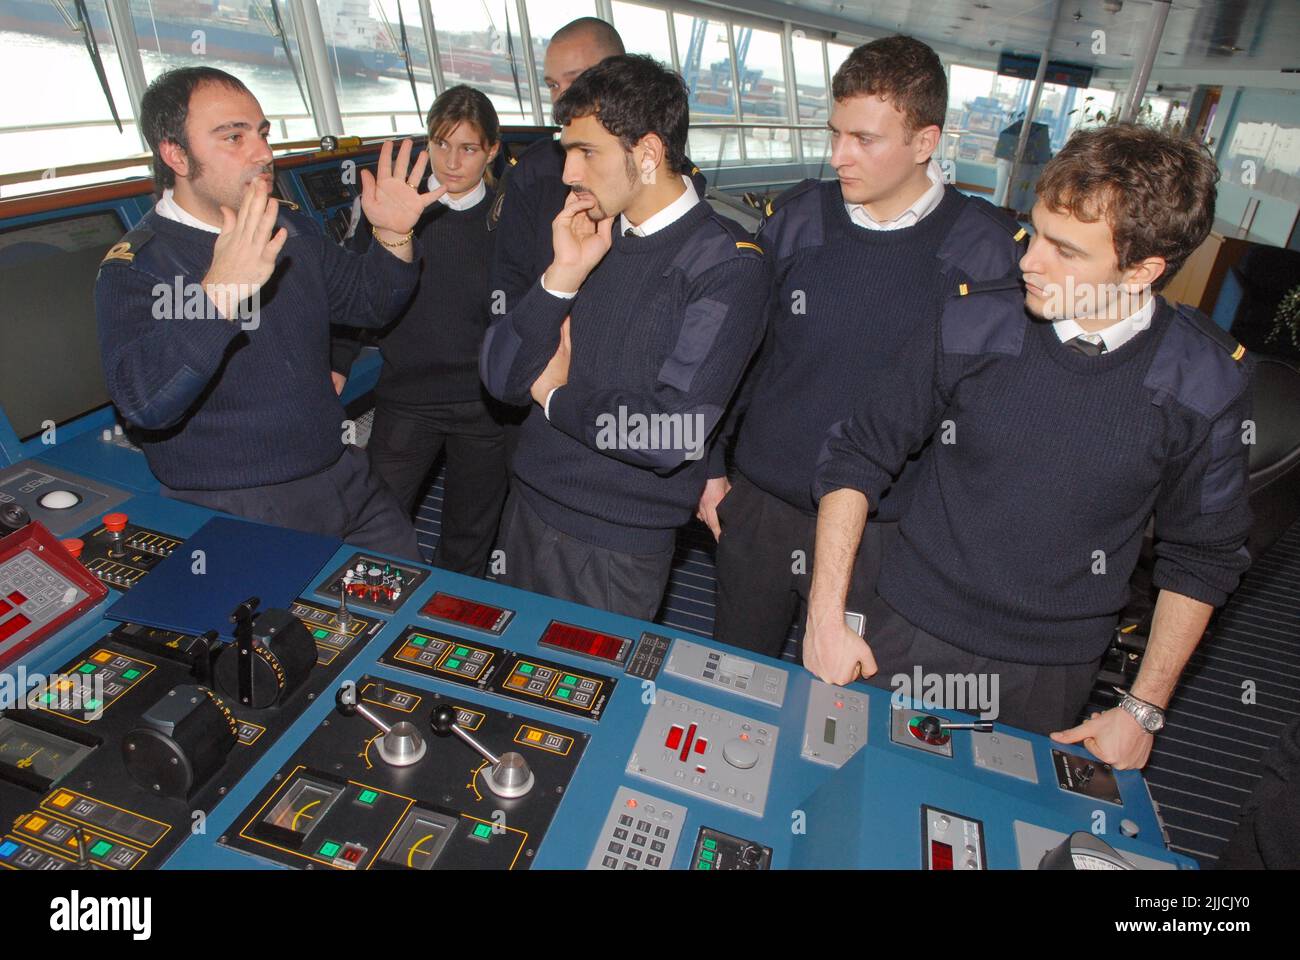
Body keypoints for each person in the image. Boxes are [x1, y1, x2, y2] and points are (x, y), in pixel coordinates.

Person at [804, 123, 1254, 767]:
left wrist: (1143, 709)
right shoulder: (971, 318)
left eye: (1065, 250)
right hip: (909, 626)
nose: (1027, 261)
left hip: (1052, 669)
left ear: (1142, 270)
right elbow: (857, 453)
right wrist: (825, 616)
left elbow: (1202, 558)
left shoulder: (1206, 381)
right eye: (1036, 230)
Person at [707, 36, 1027, 657]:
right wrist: (712, 466)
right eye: (835, 134)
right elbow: (745, 353)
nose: (839, 157)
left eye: (864, 140)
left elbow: (988, 408)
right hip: (763, 506)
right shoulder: (798, 218)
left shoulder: (988, 252)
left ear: (925, 142)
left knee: (842, 708)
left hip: (886, 532)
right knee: (733, 677)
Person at [96, 67, 439, 560]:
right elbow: (146, 401)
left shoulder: (290, 226)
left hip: (342, 476)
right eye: (233, 137)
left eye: (261, 134)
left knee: (413, 608)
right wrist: (218, 294)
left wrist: (392, 235)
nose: (262, 154)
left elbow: (370, 301)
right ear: (176, 155)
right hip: (236, 503)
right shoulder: (138, 266)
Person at [479, 54, 769, 620]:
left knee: (576, 703)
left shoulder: (727, 266)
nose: (568, 174)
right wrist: (563, 275)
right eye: (568, 152)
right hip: (526, 510)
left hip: (611, 548)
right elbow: (498, 376)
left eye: (586, 152)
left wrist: (558, 397)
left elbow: (669, 433)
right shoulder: (587, 232)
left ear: (648, 153)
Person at [330, 86, 506, 576]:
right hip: (408, 395)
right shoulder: (394, 208)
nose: (452, 162)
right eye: (441, 144)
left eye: (468, 148)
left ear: (491, 150)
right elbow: (355, 288)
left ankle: (451, 619)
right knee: (375, 524)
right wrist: (336, 362)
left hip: (485, 402)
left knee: (470, 538)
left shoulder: (509, 217)